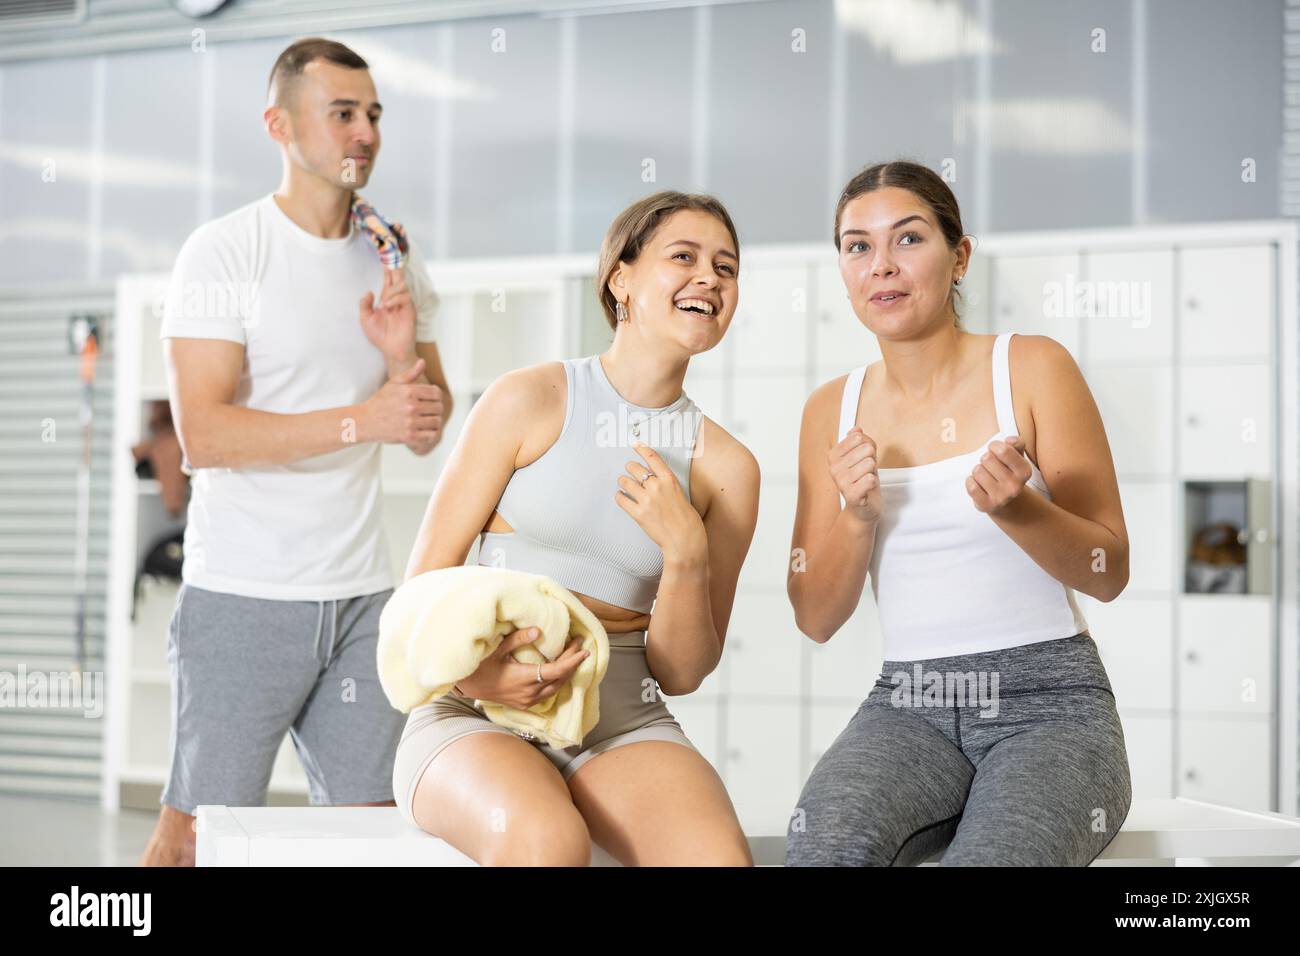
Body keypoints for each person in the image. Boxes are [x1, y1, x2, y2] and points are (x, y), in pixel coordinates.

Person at [139, 37, 452, 867]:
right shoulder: (224, 252)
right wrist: (365, 417)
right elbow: (204, 436)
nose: (365, 133)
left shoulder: (389, 248)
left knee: (372, 825)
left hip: (360, 601)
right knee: (199, 832)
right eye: (342, 113)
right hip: (244, 597)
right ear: (280, 124)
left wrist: (397, 352)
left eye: (375, 115)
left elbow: (425, 423)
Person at [394, 191, 760, 866]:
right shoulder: (528, 399)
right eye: (684, 257)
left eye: (726, 268)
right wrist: (477, 680)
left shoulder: (729, 470)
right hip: (471, 704)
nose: (709, 277)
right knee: (546, 842)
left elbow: (681, 672)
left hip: (620, 712)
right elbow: (419, 588)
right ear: (620, 278)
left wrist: (685, 553)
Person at [785, 160, 1132, 866]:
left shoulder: (1032, 367)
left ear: (960, 255)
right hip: (906, 705)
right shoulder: (831, 409)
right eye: (858, 246)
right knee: (822, 849)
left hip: (1052, 706)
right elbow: (816, 617)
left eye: (908, 239)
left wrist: (1019, 510)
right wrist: (856, 517)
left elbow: (1108, 570)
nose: (881, 265)